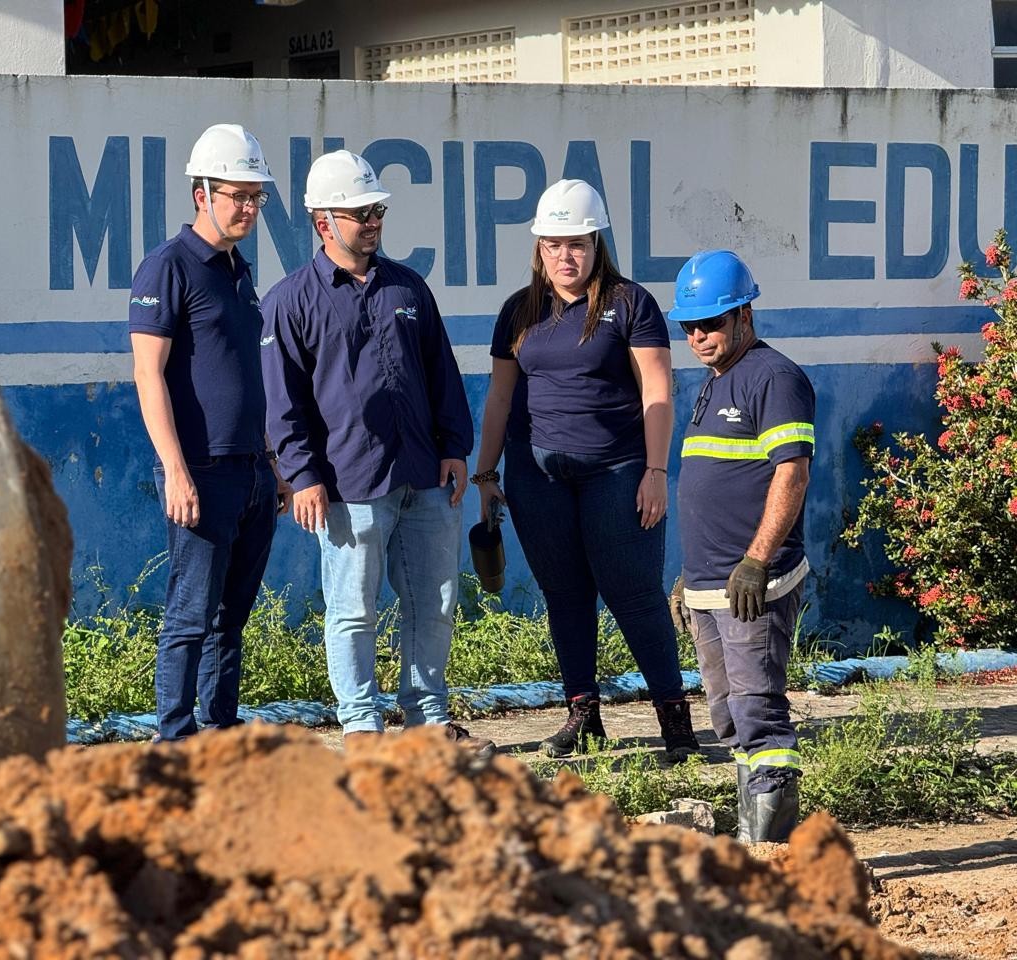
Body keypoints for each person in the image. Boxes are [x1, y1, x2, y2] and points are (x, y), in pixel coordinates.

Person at [260, 149, 494, 757]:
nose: (372, 219)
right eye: (359, 211)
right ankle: (361, 725)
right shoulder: (290, 301)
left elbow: (440, 371)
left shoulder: (407, 287)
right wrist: (303, 475)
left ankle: (427, 720)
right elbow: (281, 402)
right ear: (323, 223)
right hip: (346, 484)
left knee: (435, 603)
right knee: (352, 610)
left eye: (376, 209)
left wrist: (455, 447)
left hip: (423, 474)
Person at [473, 178, 700, 761]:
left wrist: (655, 471)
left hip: (619, 471)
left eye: (576, 243)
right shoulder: (518, 311)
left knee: (636, 595)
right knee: (565, 595)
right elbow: (500, 398)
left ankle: (675, 720)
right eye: (553, 244)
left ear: (597, 243)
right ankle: (583, 714)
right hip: (537, 479)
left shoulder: (630, 303)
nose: (565, 257)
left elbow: (657, 387)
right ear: (538, 248)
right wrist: (486, 474)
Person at [128, 123, 291, 743]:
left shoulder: (238, 271)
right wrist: (175, 467)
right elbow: (149, 375)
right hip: (201, 471)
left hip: (251, 470)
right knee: (190, 616)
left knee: (232, 619)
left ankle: (219, 735)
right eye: (237, 195)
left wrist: (272, 464)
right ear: (202, 193)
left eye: (256, 198)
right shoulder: (167, 268)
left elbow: (250, 378)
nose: (248, 208)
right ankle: (173, 742)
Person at [668, 249, 815, 842]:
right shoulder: (715, 382)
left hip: (752, 583)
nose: (700, 335)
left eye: (712, 322)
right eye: (691, 326)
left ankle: (770, 853)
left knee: (758, 712)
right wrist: (690, 576)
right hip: (710, 586)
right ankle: (755, 840)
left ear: (744, 315)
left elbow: (792, 474)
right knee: (728, 716)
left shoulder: (773, 377)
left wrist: (755, 561)